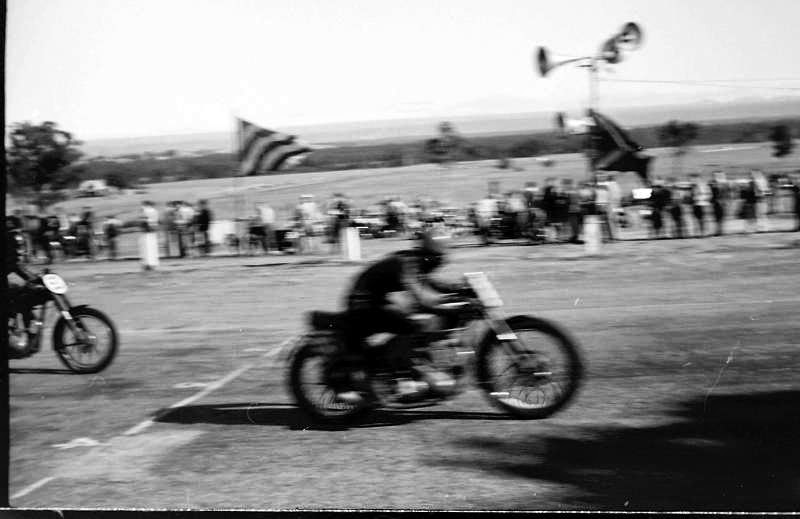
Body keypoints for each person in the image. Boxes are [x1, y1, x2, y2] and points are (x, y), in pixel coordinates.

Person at [339, 231, 470, 403]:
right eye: (440, 257)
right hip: (362, 303)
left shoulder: (416, 261)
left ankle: (410, 368)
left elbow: (431, 283)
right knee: (411, 324)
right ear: (431, 255)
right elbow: (422, 298)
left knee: (416, 320)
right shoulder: (407, 263)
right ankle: (402, 375)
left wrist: (458, 288)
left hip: (376, 301)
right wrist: (450, 301)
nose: (442, 262)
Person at [139, 200, 160, 271]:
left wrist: (142, 223)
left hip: (147, 231)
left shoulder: (146, 211)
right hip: (153, 231)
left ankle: (148, 264)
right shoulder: (155, 211)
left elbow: (144, 221)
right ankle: (153, 263)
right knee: (153, 248)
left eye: (142, 205)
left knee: (147, 248)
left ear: (146, 205)